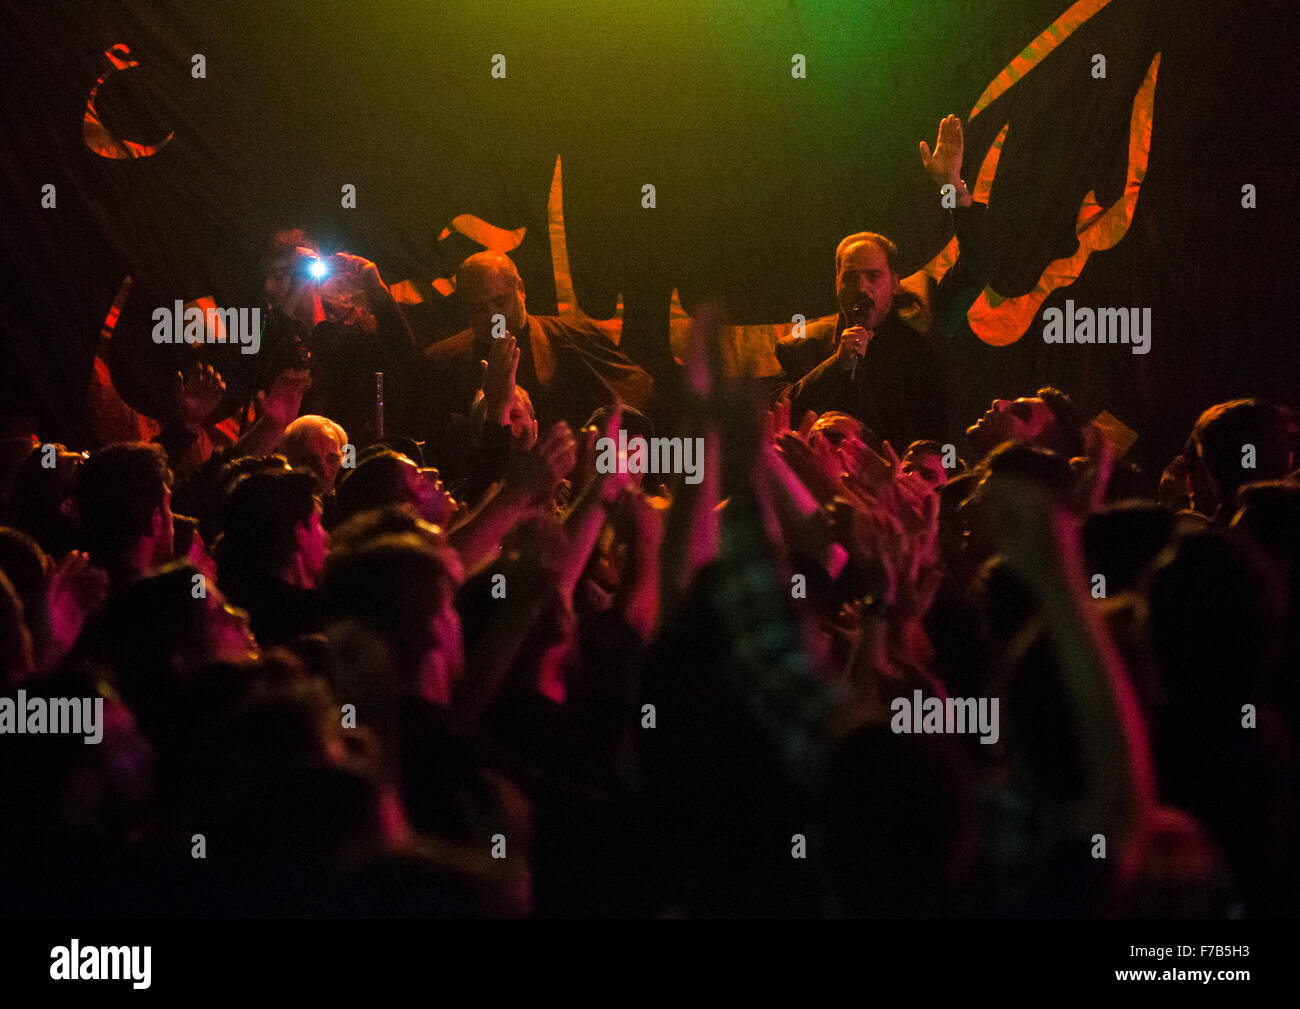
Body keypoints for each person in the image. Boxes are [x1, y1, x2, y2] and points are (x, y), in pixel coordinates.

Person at [783, 116, 989, 445]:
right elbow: (780, 419)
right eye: (850, 277)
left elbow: (978, 266)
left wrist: (954, 188)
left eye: (873, 276)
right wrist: (837, 364)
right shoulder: (806, 347)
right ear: (836, 284)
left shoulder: (926, 318)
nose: (861, 287)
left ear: (895, 282)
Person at [419, 251, 654, 461]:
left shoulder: (576, 340)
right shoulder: (441, 363)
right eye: (479, 308)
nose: (493, 316)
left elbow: (640, 397)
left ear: (520, 289)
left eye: (500, 302)